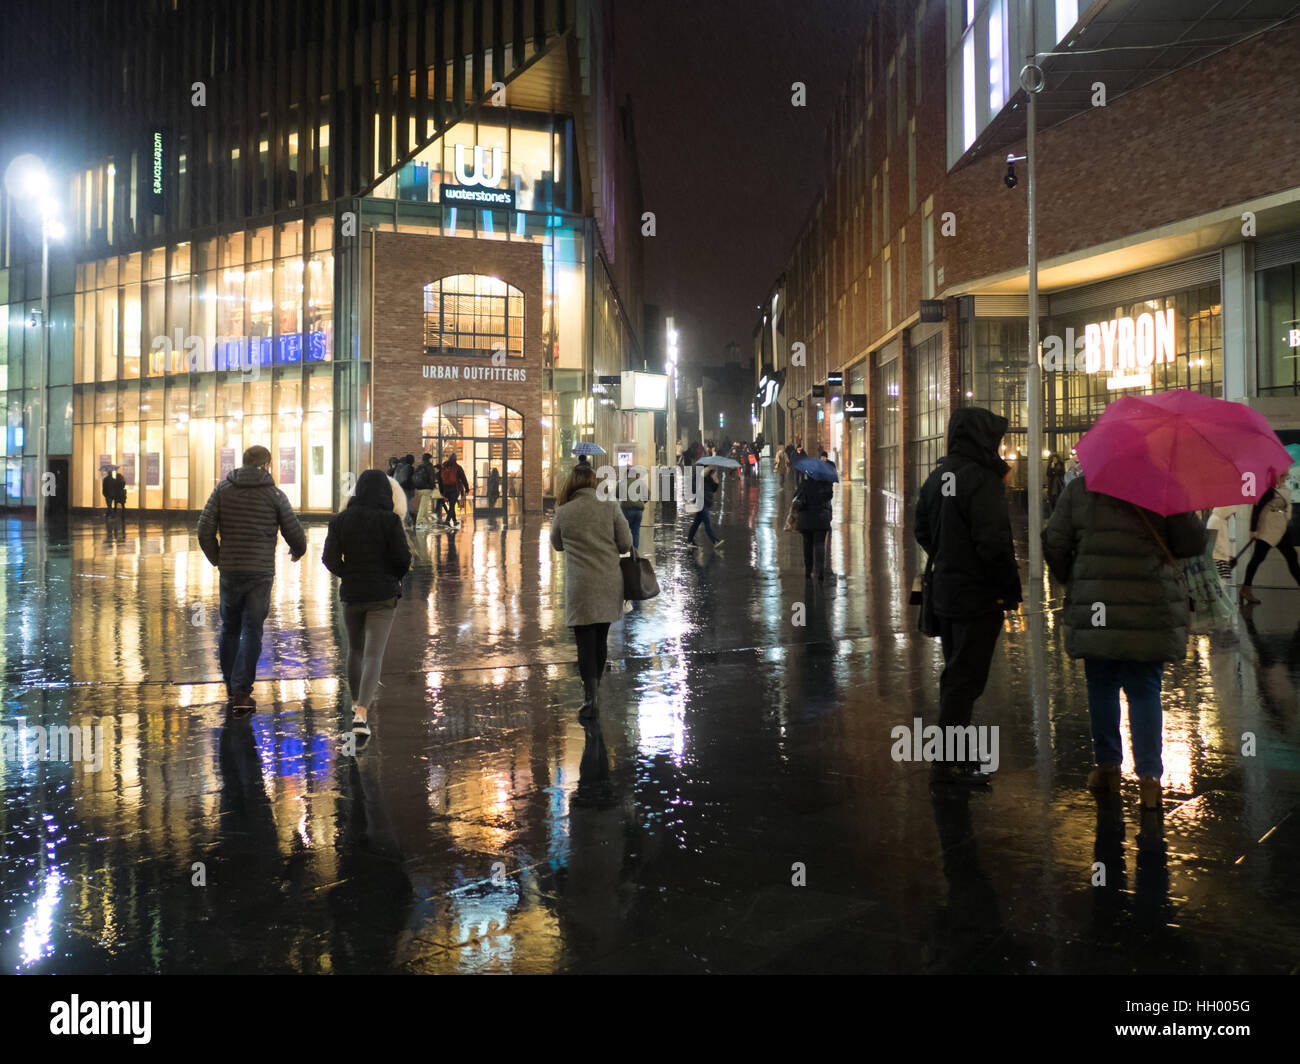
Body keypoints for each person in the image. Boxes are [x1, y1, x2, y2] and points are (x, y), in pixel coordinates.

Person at [1043, 470, 1206, 809]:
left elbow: (1055, 542)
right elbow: (1193, 543)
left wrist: (1073, 579)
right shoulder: (1164, 484)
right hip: (1149, 602)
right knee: (1145, 688)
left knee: (1101, 685)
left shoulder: (1080, 488)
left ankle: (1108, 769)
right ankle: (1149, 779)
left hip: (1096, 603)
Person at [915, 408, 1022, 786]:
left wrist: (947, 555)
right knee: (965, 679)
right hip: (977, 596)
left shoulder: (939, 476)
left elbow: (921, 528)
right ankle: (948, 762)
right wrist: (1008, 589)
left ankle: (953, 754)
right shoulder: (980, 479)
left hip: (946, 591)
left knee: (957, 673)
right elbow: (993, 543)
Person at [197, 445, 307, 714]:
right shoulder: (274, 494)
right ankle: (242, 691)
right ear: (266, 465)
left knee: (230, 628)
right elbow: (294, 531)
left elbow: (204, 529)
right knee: (252, 629)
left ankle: (231, 686)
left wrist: (218, 558)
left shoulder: (222, 491)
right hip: (259, 574)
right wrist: (298, 550)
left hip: (231, 571)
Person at [323, 469, 412, 741]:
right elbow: (402, 560)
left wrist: (347, 574)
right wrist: (391, 577)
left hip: (352, 594)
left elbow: (329, 559)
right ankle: (362, 715)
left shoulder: (340, 521)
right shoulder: (390, 521)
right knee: (374, 654)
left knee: (355, 650)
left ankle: (353, 705)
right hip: (382, 597)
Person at [549, 464, 633, 720]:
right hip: (608, 582)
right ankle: (595, 691)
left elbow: (557, 544)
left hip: (581, 585)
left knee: (584, 641)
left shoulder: (564, 511)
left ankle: (590, 697)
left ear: (571, 483)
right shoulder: (609, 505)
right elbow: (626, 543)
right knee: (600, 638)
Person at [1239, 477, 1300, 604]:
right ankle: (1246, 589)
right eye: (1284, 471)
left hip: (1281, 528)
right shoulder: (1269, 490)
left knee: (1292, 557)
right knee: (1257, 558)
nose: (1287, 472)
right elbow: (1257, 508)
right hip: (1268, 529)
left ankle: (1245, 589)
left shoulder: (1284, 489)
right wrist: (1253, 529)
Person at [792, 466, 833, 581]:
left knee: (807, 545)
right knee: (819, 544)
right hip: (821, 519)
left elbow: (795, 497)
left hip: (806, 520)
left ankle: (808, 571)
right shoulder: (826, 485)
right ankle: (820, 571)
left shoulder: (805, 485)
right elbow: (829, 497)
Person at [686, 469, 723, 547]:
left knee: (696, 523)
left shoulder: (708, 478)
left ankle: (689, 541)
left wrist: (716, 483)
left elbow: (713, 489)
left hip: (706, 502)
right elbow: (693, 488)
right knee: (707, 523)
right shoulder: (698, 477)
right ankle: (714, 541)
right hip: (702, 503)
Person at [439, 452, 470, 527]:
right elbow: (463, 478)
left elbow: (440, 479)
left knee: (451, 505)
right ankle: (447, 520)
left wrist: (441, 491)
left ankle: (455, 521)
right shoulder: (457, 467)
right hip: (454, 489)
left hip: (446, 489)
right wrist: (466, 488)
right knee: (452, 506)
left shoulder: (444, 466)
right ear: (455, 459)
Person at [412, 453, 437, 527]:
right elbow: (432, 478)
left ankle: (426, 521)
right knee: (423, 506)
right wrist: (432, 486)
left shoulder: (420, 466)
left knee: (425, 505)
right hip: (427, 488)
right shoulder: (430, 466)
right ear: (429, 459)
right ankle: (418, 522)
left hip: (419, 488)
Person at [392, 454, 415, 529]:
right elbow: (411, 480)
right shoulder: (409, 468)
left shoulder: (400, 467)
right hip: (407, 489)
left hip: (400, 488)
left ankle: (405, 521)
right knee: (407, 505)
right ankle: (406, 522)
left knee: (404, 505)